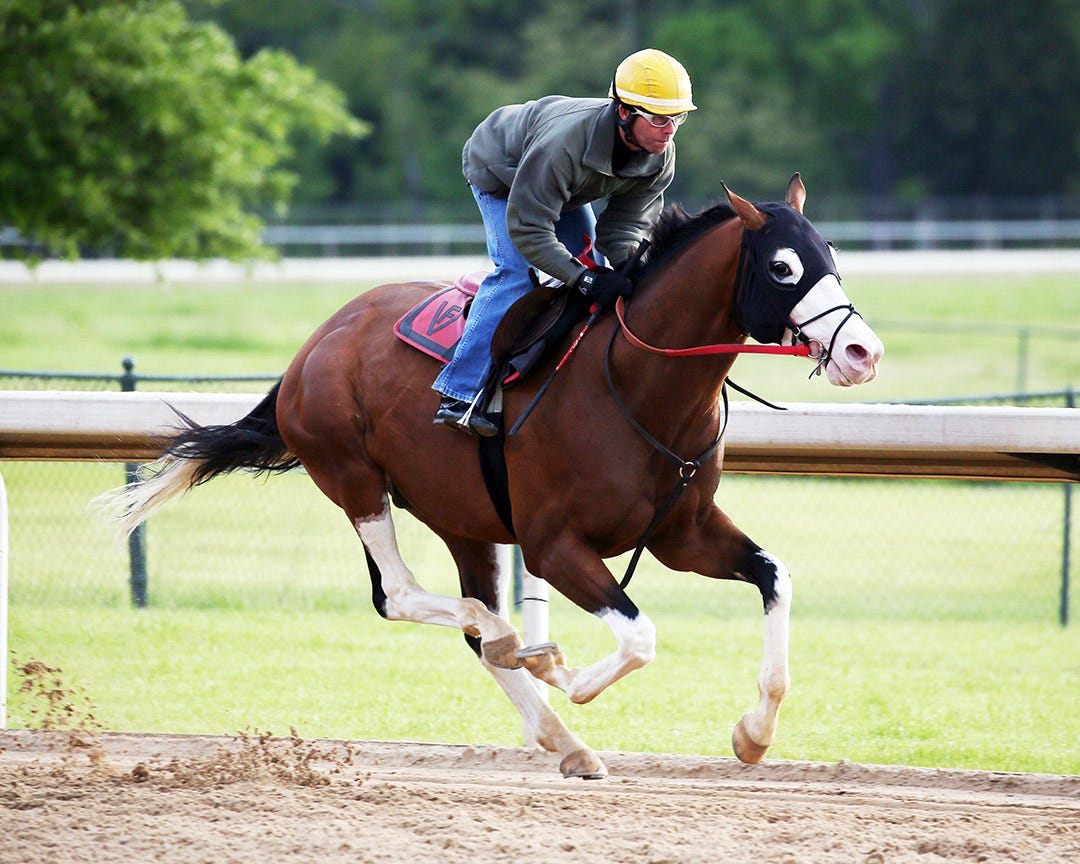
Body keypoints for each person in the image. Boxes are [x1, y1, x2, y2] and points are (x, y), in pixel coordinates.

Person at [432, 48, 696, 436]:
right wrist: (583, 279)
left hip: (563, 189)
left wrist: (628, 270)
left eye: (679, 118)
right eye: (659, 118)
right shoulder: (564, 143)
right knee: (518, 274)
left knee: (598, 270)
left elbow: (623, 228)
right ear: (624, 112)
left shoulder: (660, 155)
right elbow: (529, 228)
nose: (670, 130)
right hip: (501, 173)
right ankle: (460, 392)